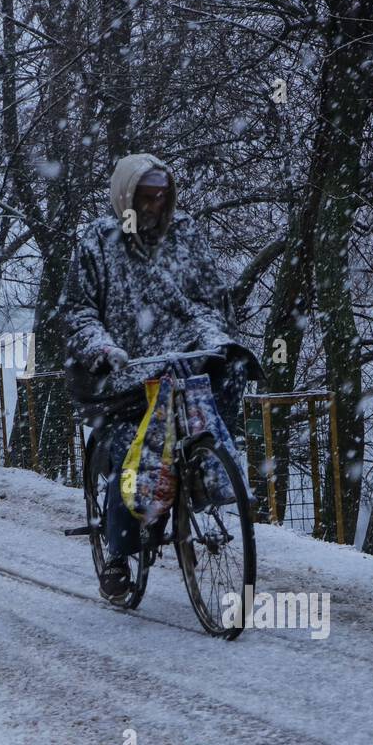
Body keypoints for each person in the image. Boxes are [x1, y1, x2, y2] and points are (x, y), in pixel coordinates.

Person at [61, 153, 252, 600]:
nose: (154, 206)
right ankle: (118, 554)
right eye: (145, 197)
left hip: (183, 365)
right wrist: (104, 349)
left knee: (231, 374)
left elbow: (209, 300)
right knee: (136, 450)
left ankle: (209, 469)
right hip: (122, 376)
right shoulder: (97, 242)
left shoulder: (185, 234)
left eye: (161, 197)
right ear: (126, 197)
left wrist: (214, 341)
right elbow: (79, 311)